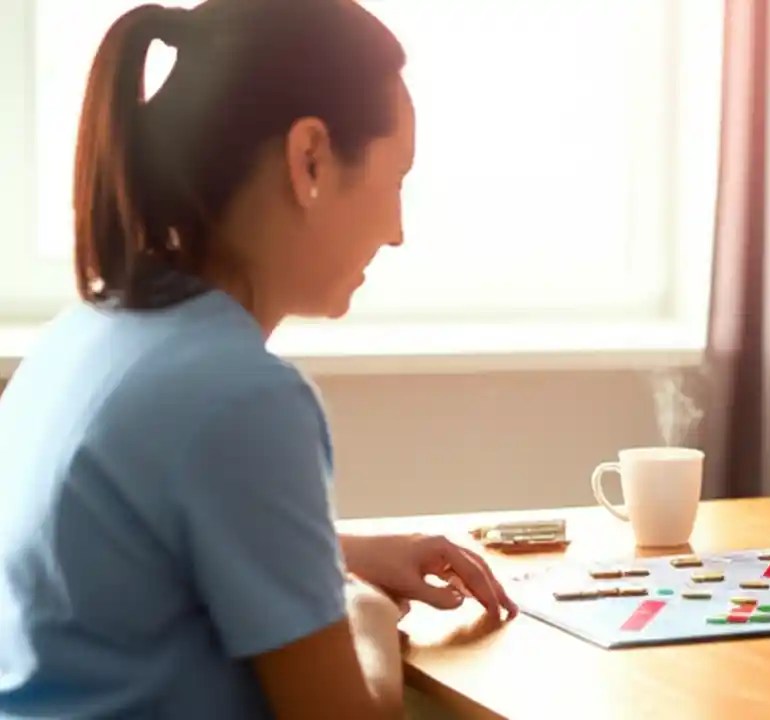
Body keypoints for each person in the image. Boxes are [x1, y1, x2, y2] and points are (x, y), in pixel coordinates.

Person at [0, 1, 518, 718]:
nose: (397, 231)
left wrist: (345, 553)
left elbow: (147, 555)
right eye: (396, 179)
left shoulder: (83, 334)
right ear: (309, 159)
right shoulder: (241, 396)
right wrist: (360, 609)